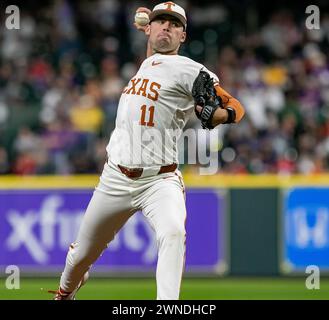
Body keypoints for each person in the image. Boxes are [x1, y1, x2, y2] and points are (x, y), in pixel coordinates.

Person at [50, 2, 245, 300]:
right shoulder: (147, 64)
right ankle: (65, 292)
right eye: (161, 21)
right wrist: (148, 34)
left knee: (173, 232)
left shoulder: (190, 70)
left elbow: (235, 108)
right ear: (150, 29)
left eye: (174, 23)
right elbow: (155, 58)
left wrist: (217, 115)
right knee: (79, 259)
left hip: (159, 180)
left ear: (183, 36)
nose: (166, 26)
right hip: (115, 178)